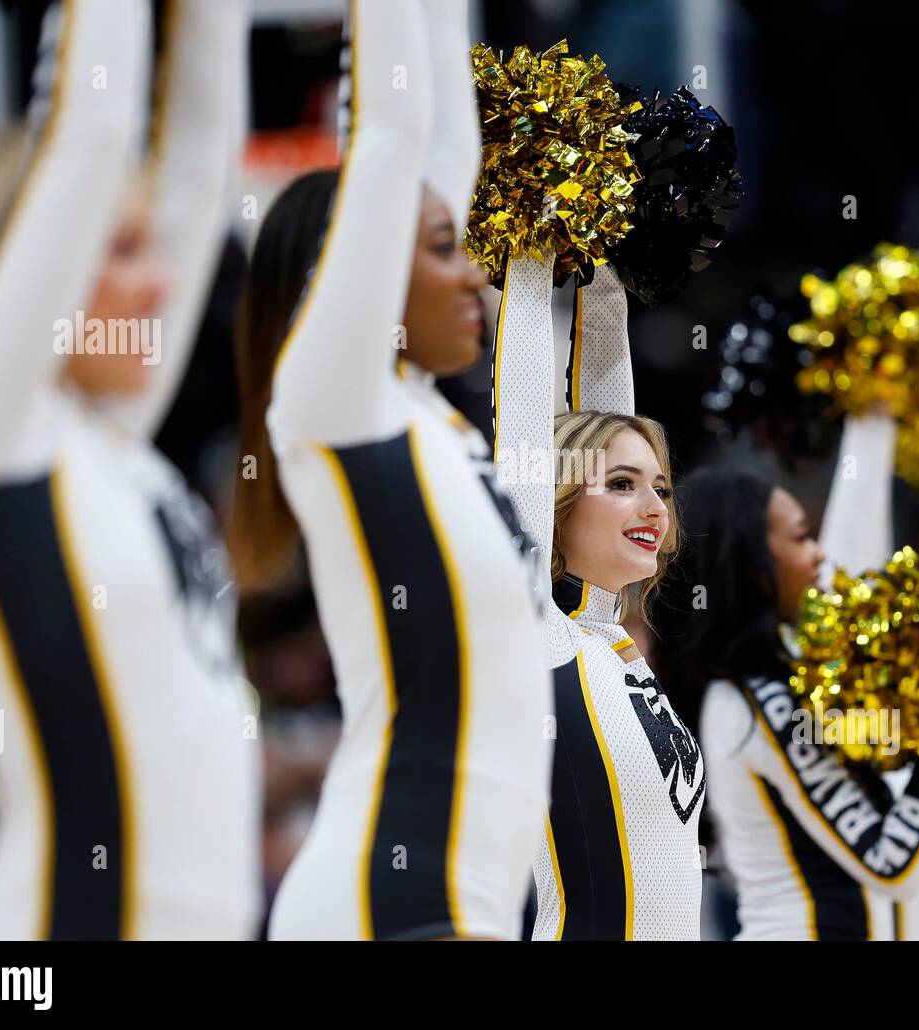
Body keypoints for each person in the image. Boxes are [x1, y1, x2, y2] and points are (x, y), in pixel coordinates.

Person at [0, 0, 260, 939]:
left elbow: (200, 161)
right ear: (22, 268)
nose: (165, 281)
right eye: (123, 249)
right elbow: (93, 131)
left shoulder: (108, 447)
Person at [233, 0, 552, 942]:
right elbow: (394, 129)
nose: (476, 277)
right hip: (396, 907)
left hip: (456, 907)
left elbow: (445, 134)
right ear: (356, 277)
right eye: (447, 250)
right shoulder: (339, 402)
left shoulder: (420, 416)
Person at [652, 458, 919, 940]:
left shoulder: (778, 682)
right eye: (802, 537)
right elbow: (890, 863)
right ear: (751, 564)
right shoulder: (758, 703)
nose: (820, 557)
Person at [492, 254, 705, 940]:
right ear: (554, 499)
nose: (652, 506)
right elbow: (525, 417)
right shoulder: (541, 633)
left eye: (661, 488)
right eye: (621, 484)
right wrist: (527, 245)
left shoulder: (614, 650)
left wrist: (609, 256)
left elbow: (609, 410)